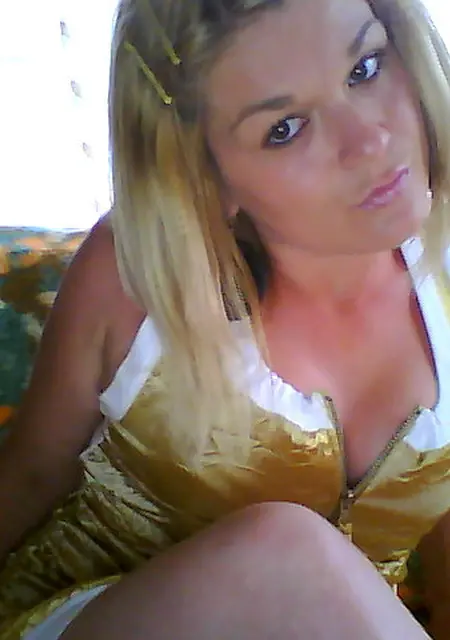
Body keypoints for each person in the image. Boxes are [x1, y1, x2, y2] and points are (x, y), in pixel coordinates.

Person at [0, 0, 449, 637]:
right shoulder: (136, 280)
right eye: (286, 128)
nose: (369, 140)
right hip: (92, 613)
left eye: (365, 68)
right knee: (287, 551)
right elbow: (30, 475)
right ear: (207, 175)